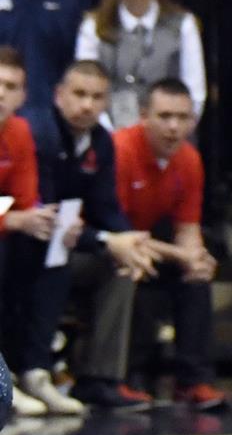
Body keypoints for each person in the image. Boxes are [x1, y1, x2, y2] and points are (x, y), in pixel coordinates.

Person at [8, 61, 161, 413]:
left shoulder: (101, 143)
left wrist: (130, 242)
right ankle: (31, 369)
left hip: (66, 240)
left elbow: (107, 207)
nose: (87, 105)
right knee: (56, 255)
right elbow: (42, 207)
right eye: (79, 94)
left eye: (96, 97)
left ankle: (100, 379)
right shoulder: (39, 132)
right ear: (58, 96)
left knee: (121, 265)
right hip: (24, 242)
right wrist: (108, 240)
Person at [114, 79, 226, 409]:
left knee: (196, 278)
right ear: (143, 116)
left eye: (182, 118)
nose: (174, 127)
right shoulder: (121, 149)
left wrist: (197, 257)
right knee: (138, 267)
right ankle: (133, 374)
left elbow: (187, 227)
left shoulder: (189, 159)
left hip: (155, 242)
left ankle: (194, 380)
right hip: (117, 242)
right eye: (164, 117)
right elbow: (122, 232)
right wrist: (182, 254)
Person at [74, 0, 205, 131]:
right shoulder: (93, 25)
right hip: (108, 136)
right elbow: (85, 88)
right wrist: (113, 136)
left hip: (169, 135)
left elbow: (195, 93)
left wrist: (172, 129)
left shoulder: (184, 25)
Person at [0, 47, 62, 418]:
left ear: (23, 95)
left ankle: (35, 371)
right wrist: (15, 220)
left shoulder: (20, 132)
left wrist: (42, 219)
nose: (1, 93)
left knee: (50, 253)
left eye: (10, 86)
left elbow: (25, 199)